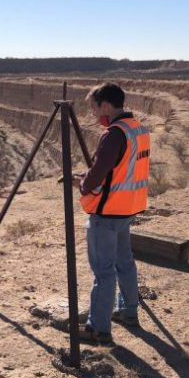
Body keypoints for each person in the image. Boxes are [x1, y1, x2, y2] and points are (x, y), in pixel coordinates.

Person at [70, 82, 150, 343]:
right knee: (124, 263)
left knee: (104, 272)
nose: (94, 115)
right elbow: (120, 170)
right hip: (128, 208)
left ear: (105, 105)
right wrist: (87, 177)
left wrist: (82, 184)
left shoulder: (114, 133)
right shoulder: (138, 129)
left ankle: (98, 329)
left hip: (107, 214)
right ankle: (128, 311)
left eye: (94, 108)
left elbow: (100, 173)